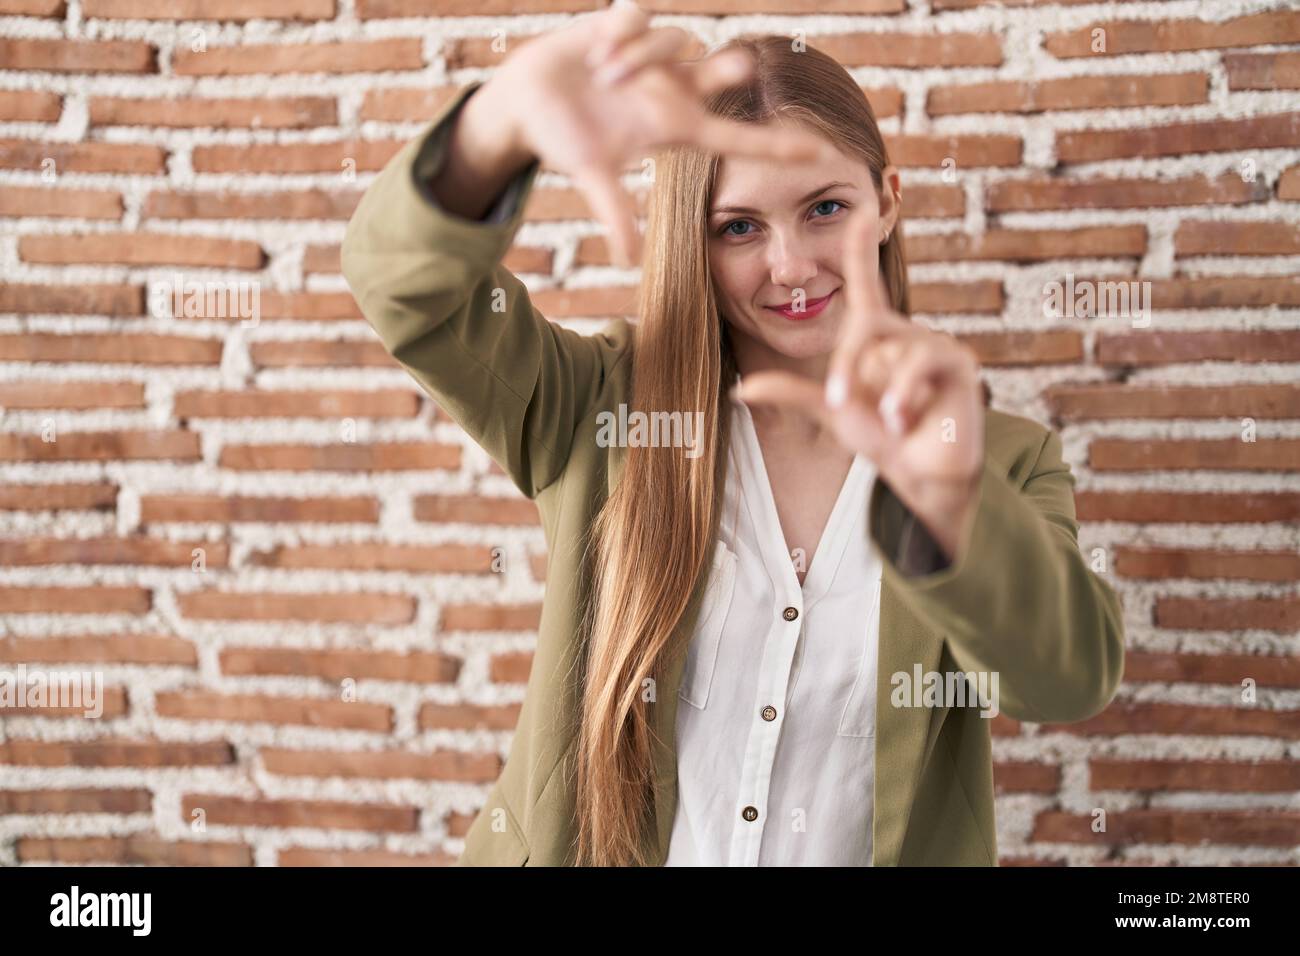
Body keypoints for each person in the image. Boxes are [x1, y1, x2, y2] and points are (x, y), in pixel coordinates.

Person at [341, 2, 1125, 867]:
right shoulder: (597, 404)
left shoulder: (1000, 457)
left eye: (826, 208)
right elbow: (405, 294)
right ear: (696, 241)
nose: (790, 265)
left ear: (888, 202)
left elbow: (1063, 682)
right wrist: (494, 128)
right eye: (740, 228)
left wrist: (951, 499)